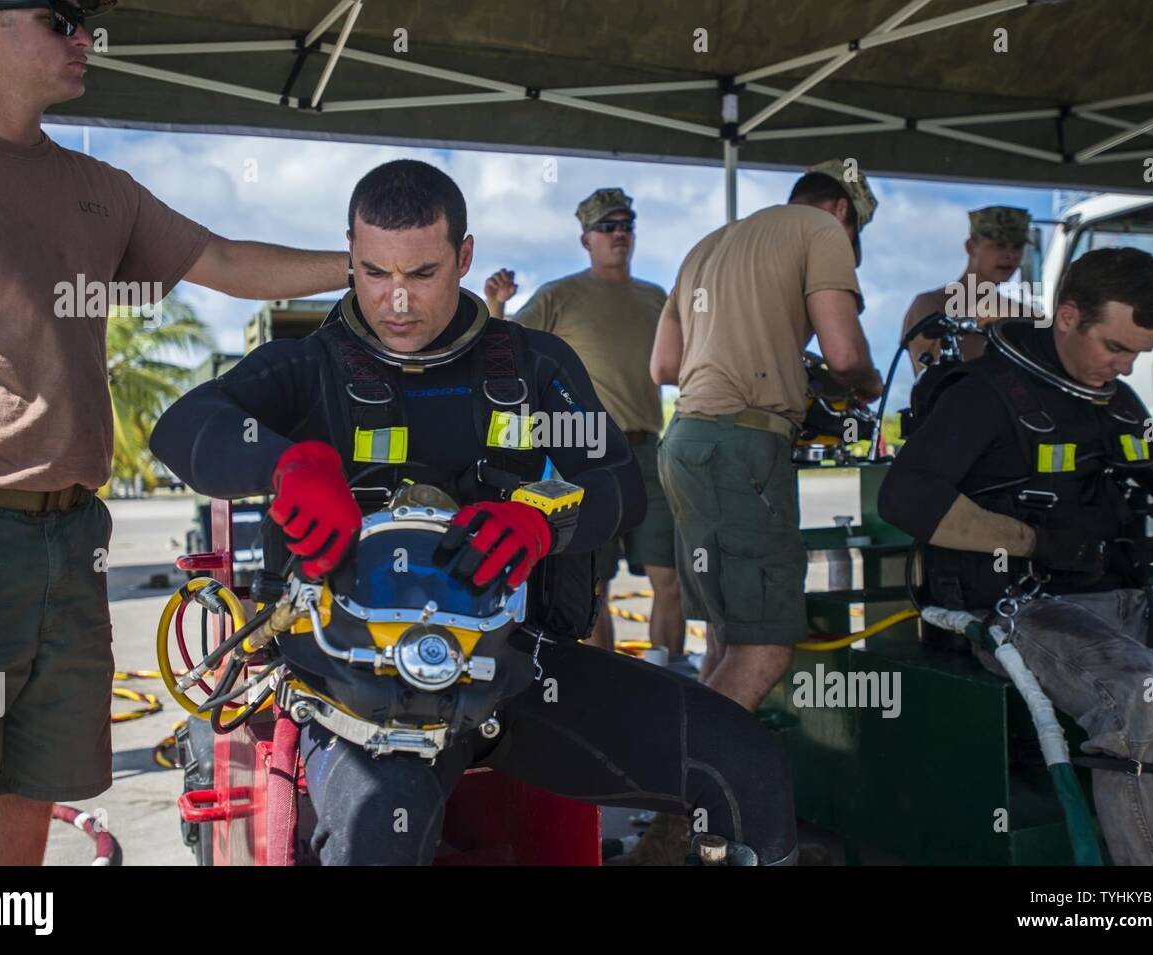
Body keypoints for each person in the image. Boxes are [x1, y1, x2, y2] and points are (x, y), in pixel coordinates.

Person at [150, 159, 799, 866]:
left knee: (748, 768)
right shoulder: (308, 367)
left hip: (516, 672)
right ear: (350, 256)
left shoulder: (532, 365)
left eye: (423, 274)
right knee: (380, 820)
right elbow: (182, 426)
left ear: (464, 256)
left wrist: (541, 521)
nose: (397, 302)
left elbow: (617, 481)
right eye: (374, 273)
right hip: (354, 692)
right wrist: (286, 466)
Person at [0, 0, 350, 866]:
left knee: (29, 796)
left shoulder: (96, 187)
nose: (86, 37)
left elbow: (221, 261)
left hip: (73, 538)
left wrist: (370, 266)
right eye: (62, 15)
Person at [880, 247, 1153, 866]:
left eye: (1137, 351)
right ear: (1067, 317)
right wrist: (1034, 542)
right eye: (1115, 346)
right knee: (1143, 690)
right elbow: (906, 496)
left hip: (1127, 602)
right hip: (1022, 613)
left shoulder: (1115, 400)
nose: (1126, 364)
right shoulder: (984, 396)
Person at [650, 159, 884, 712]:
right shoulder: (821, 229)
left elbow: (663, 366)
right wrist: (867, 385)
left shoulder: (707, 246)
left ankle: (681, 790)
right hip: (744, 447)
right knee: (767, 650)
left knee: (728, 638)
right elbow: (846, 354)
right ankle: (693, 792)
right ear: (843, 210)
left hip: (685, 443)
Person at [483, 188, 682, 658]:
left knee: (669, 578)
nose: (619, 234)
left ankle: (669, 681)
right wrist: (497, 307)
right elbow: (506, 352)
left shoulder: (656, 297)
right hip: (585, 452)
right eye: (607, 227)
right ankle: (604, 685)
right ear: (585, 239)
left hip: (649, 451)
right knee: (593, 582)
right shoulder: (559, 295)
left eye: (626, 225)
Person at [901, 206, 1034, 373]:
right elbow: (931, 375)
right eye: (999, 245)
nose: (1010, 255)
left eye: (1017, 246)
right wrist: (969, 321)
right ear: (971, 247)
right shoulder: (930, 305)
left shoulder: (1022, 313)